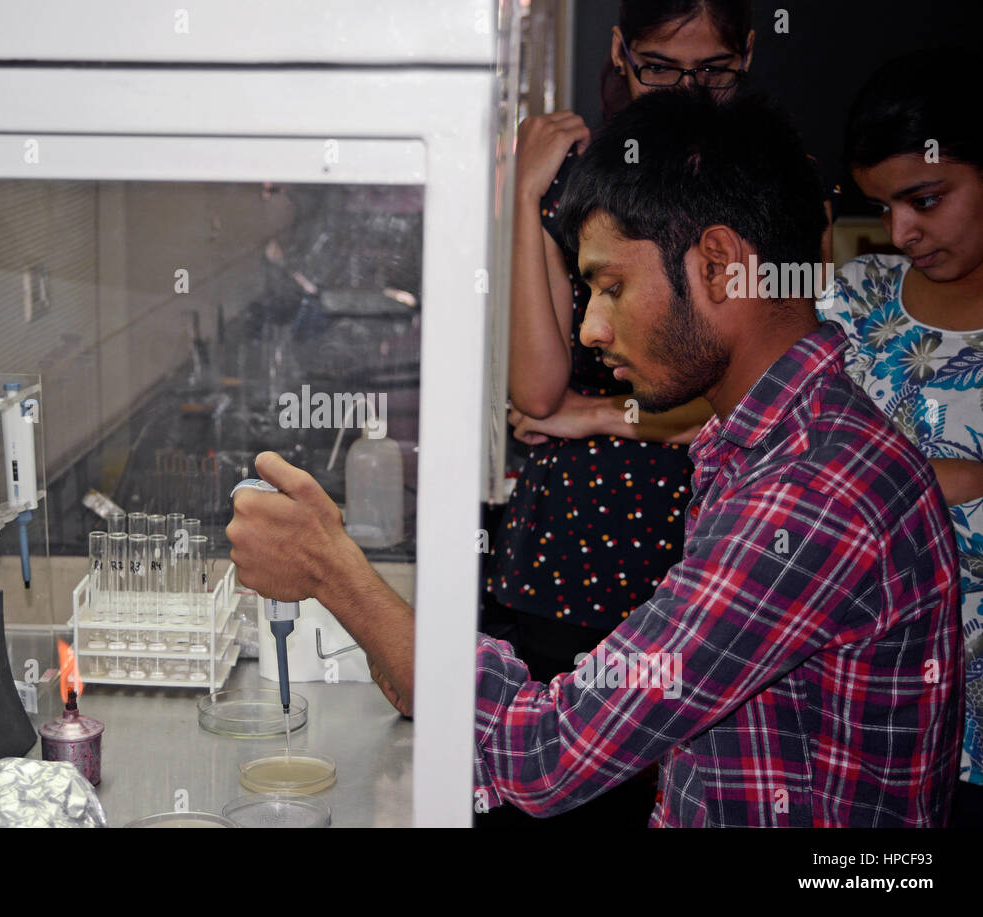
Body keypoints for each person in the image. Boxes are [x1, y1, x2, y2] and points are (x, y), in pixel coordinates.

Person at [227, 89, 963, 827]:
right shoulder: (770, 445)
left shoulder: (808, 491)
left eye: (611, 286)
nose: (592, 328)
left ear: (717, 266)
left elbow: (545, 751)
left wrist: (331, 569)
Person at [491, 0, 756, 827]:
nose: (683, 91)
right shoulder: (575, 173)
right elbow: (536, 394)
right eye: (658, 67)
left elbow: (745, 393)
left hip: (701, 544)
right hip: (567, 553)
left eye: (711, 72)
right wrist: (520, 193)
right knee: (556, 785)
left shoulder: (763, 188)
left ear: (748, 57)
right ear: (617, 53)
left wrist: (598, 414)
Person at [818, 49, 983, 827]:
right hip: (869, 718)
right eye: (884, 208)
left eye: (924, 199)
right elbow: (794, 453)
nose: (903, 231)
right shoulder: (855, 298)